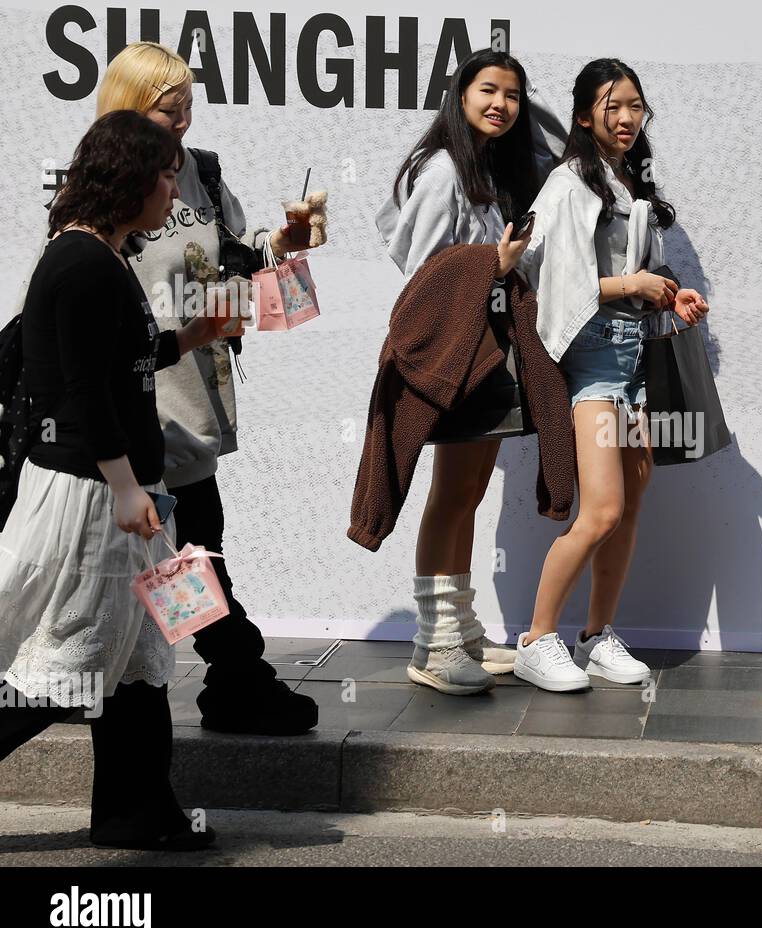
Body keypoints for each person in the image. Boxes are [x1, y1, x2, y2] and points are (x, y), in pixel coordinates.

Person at [0, 110, 224, 849]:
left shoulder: (102, 256)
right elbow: (86, 391)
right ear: (129, 177)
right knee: (70, 663)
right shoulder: (84, 263)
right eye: (164, 172)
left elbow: (120, 364)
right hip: (95, 499)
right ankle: (137, 813)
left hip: (119, 495)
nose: (172, 185)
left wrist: (186, 339)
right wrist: (129, 489)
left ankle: (137, 814)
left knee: (138, 667)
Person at [95, 42, 321, 733]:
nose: (183, 123)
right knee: (183, 558)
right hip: (145, 404)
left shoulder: (201, 171)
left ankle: (229, 679)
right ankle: (236, 676)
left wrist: (285, 242)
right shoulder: (105, 183)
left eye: (188, 107)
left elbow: (237, 255)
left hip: (199, 393)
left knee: (194, 553)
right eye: (169, 111)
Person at [514, 59, 709, 691]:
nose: (626, 118)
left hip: (635, 357)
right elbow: (547, 280)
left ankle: (597, 636)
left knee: (628, 507)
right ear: (582, 115)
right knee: (600, 512)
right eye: (612, 106)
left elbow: (633, 275)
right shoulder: (571, 182)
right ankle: (537, 639)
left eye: (635, 107)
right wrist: (632, 284)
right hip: (596, 362)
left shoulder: (626, 184)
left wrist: (666, 296)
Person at [374, 48, 555, 694]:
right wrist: (494, 263)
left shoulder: (488, 172)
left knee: (468, 494)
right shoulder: (444, 170)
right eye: (488, 90)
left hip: (489, 356)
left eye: (511, 94)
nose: (500, 104)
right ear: (461, 94)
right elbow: (426, 278)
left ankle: (462, 629)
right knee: (451, 496)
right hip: (455, 356)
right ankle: (435, 644)